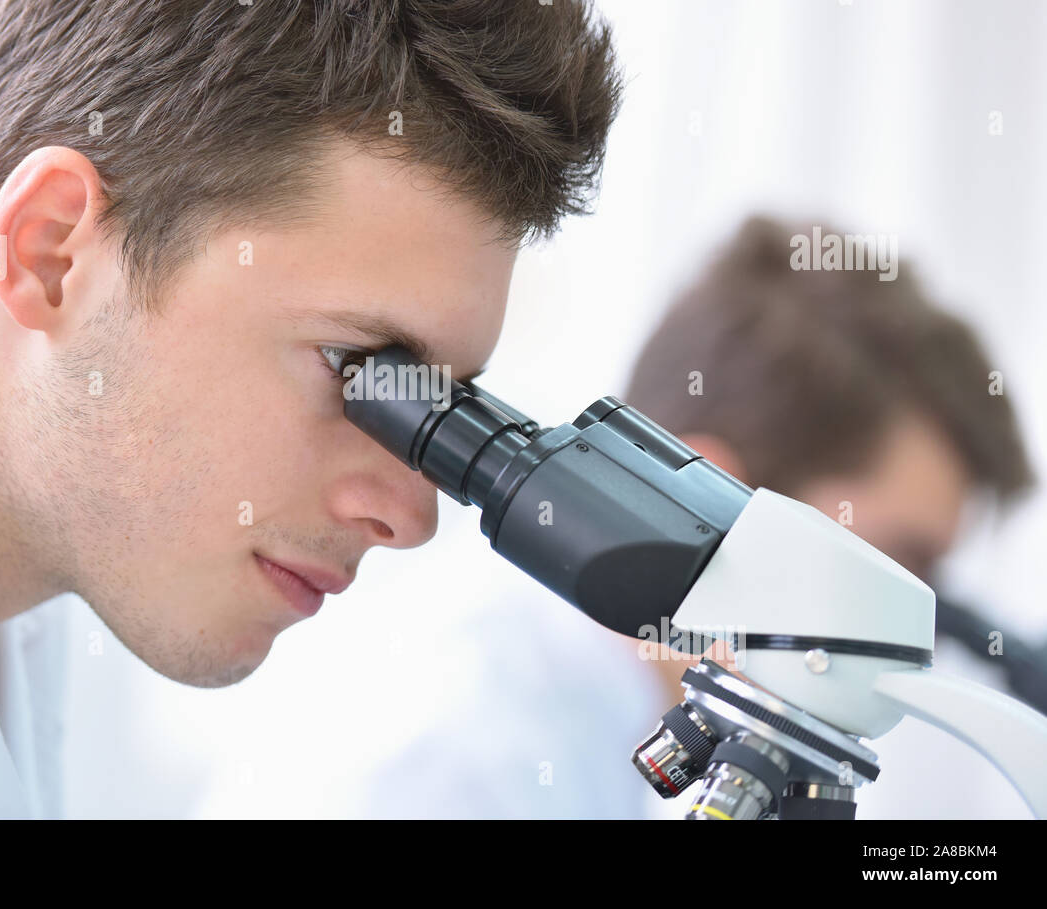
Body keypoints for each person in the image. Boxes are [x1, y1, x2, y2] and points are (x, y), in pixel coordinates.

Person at [0, 0, 624, 817]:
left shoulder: (29, 558)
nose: (412, 516)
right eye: (360, 370)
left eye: (436, 406)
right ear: (50, 251)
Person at [345, 214, 1036, 818]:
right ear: (725, 503)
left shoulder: (606, 726)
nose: (929, 621)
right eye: (900, 564)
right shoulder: (466, 768)